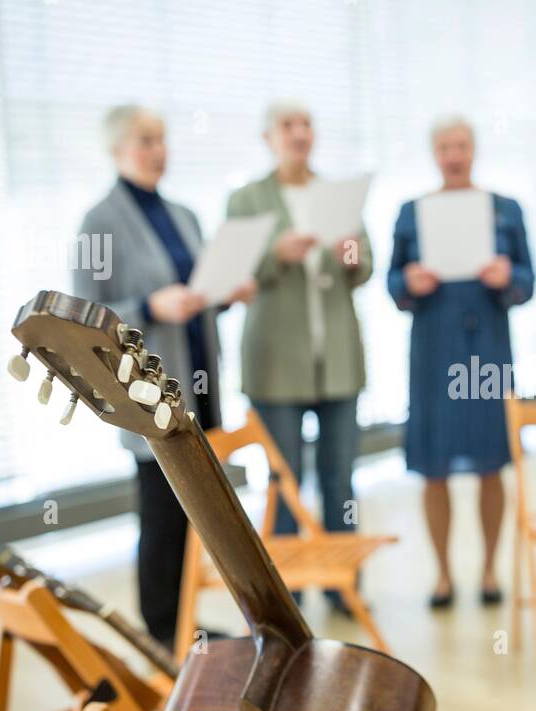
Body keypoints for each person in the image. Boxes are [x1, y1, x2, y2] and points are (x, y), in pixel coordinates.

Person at [72, 105, 255, 649]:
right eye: (145, 140)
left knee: (197, 513)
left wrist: (222, 296)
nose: (158, 149)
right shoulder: (98, 222)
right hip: (146, 391)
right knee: (163, 514)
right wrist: (150, 306)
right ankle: (160, 631)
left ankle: (185, 627)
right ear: (116, 150)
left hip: (200, 380)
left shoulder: (183, 214)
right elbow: (83, 315)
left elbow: (194, 298)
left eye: (162, 138)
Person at [227, 100, 374, 616]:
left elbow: (363, 268)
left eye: (307, 124)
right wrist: (275, 256)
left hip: (336, 358)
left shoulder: (338, 196)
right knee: (281, 481)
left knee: (341, 476)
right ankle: (283, 594)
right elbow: (231, 275)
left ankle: (342, 583)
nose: (299, 134)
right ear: (268, 137)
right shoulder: (247, 199)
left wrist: (348, 251)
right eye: (288, 126)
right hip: (275, 362)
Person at [388, 116, 535, 608]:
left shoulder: (506, 209)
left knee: (492, 461)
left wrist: (506, 275)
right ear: (434, 153)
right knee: (435, 466)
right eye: (445, 147)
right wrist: (409, 282)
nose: (454, 155)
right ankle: (443, 574)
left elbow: (529, 280)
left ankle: (491, 570)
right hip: (433, 348)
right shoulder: (411, 212)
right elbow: (390, 283)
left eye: (462, 146)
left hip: (488, 346)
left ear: (474, 150)